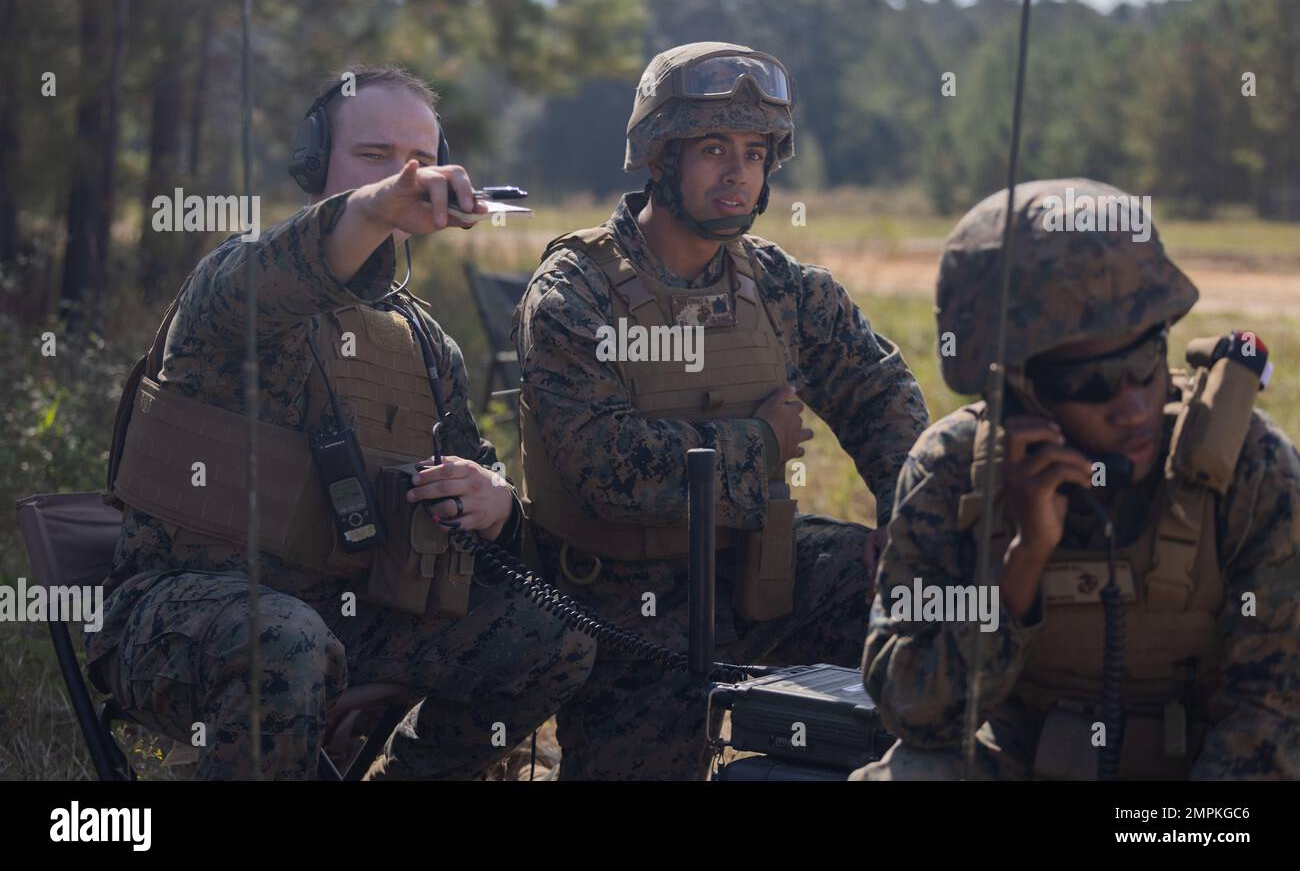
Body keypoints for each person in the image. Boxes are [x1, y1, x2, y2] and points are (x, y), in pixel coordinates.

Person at [86, 65, 594, 780]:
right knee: (285, 641)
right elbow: (290, 267)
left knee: (554, 637)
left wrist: (496, 502)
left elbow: (474, 486)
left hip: (355, 613)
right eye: (375, 156)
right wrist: (379, 205)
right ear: (313, 162)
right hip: (181, 612)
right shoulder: (236, 281)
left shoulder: (422, 340)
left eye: (420, 160)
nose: (406, 177)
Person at [513, 42, 929, 779]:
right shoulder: (574, 292)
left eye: (755, 151)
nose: (739, 171)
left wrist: (910, 519)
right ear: (658, 157)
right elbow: (598, 465)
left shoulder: (778, 284)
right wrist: (757, 442)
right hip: (619, 605)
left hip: (755, 570)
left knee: (912, 606)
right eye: (712, 148)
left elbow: (880, 389)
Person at [854, 178, 1300, 780]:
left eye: (1146, 362)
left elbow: (1270, 719)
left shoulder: (1248, 466)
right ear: (1017, 391)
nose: (1134, 407)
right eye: (1090, 383)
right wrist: (1021, 564)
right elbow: (916, 712)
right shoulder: (953, 472)